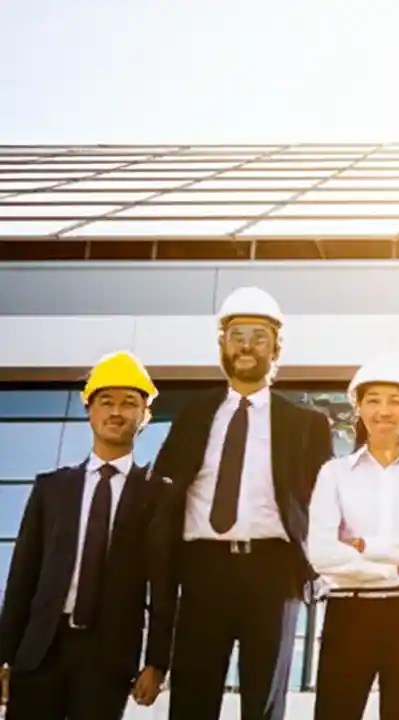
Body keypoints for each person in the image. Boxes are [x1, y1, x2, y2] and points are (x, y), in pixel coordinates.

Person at [150, 286, 334, 720]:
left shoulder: (307, 424)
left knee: (264, 704)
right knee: (192, 701)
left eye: (259, 336)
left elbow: (328, 503)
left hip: (273, 573)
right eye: (237, 336)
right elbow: (163, 492)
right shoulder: (194, 415)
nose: (247, 345)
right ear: (222, 346)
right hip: (201, 572)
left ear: (277, 348)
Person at [0, 351, 173, 719]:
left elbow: (163, 585)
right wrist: (4, 654)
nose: (116, 412)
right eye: (106, 402)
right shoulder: (51, 488)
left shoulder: (159, 494)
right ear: (89, 411)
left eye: (129, 403)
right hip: (39, 651)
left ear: (145, 416)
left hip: (107, 656)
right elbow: (22, 578)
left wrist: (157, 662)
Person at [307, 353, 399, 720]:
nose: (383, 411)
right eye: (373, 400)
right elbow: (322, 554)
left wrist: (364, 546)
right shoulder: (334, 473)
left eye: (394, 401)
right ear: (358, 407)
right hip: (349, 612)